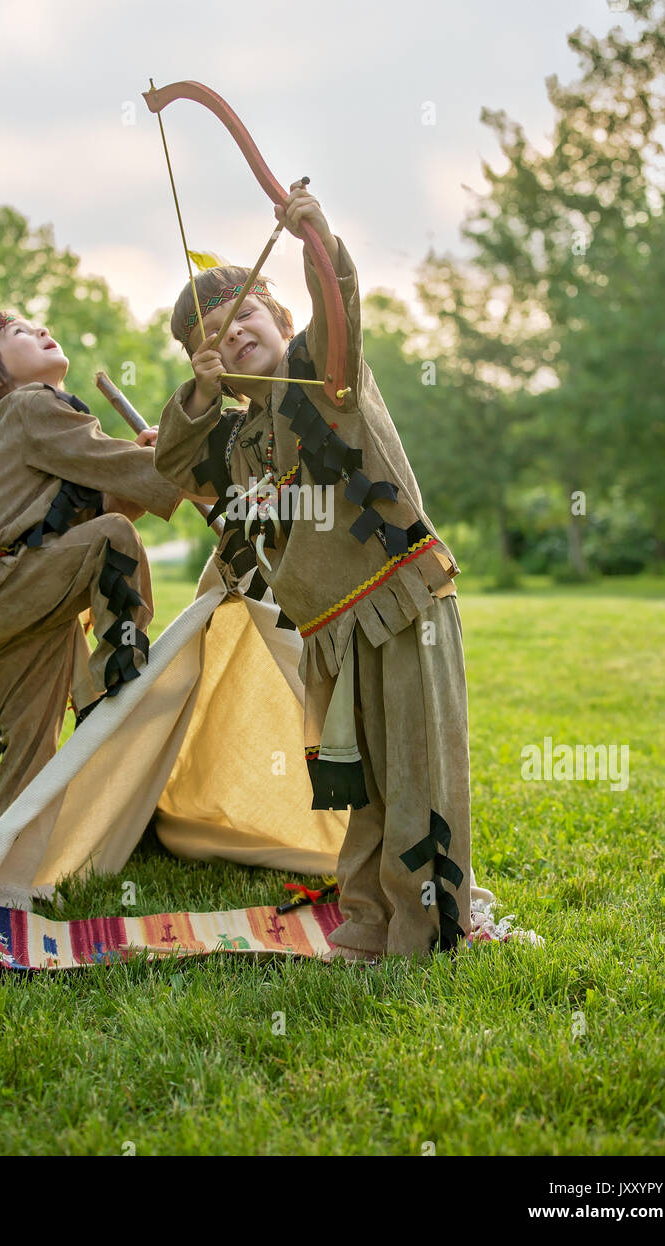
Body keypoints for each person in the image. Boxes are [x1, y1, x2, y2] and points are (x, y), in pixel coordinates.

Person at [154, 183, 471, 962]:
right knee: (355, 781)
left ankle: (424, 927)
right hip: (329, 628)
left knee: (415, 772)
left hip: (397, 597)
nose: (231, 341)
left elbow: (341, 308)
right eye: (211, 342)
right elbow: (175, 465)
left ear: (282, 320)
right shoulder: (233, 440)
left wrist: (316, 240)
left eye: (244, 319)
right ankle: (365, 915)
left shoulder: (324, 376)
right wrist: (197, 395)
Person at [0, 309, 185, 835]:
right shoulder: (31, 406)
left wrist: (143, 467)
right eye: (21, 334)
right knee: (116, 534)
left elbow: (95, 505)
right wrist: (186, 456)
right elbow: (116, 508)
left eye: (39, 325)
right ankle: (106, 693)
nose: (43, 331)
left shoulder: (13, 430)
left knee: (31, 750)